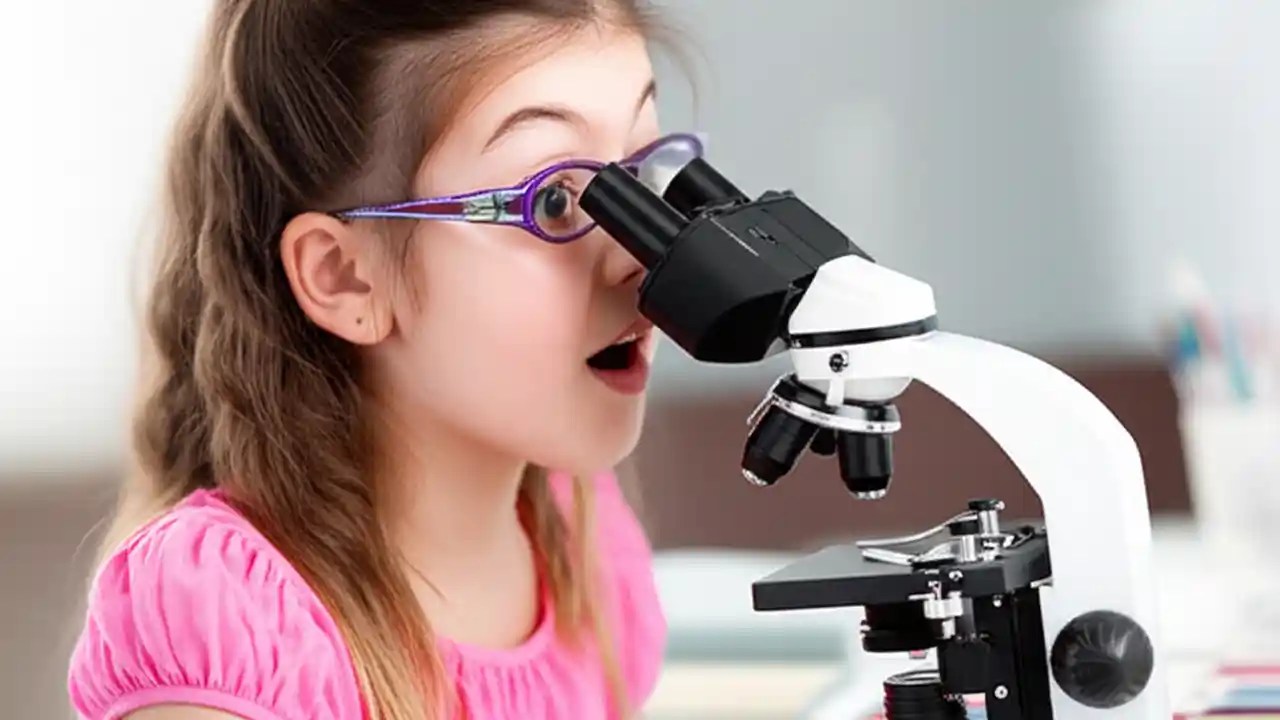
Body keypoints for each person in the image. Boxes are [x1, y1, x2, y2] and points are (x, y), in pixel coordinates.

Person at [66, 1, 701, 718]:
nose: (639, 256)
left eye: (645, 175)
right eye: (555, 199)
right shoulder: (230, 625)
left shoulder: (583, 542)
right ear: (347, 277)